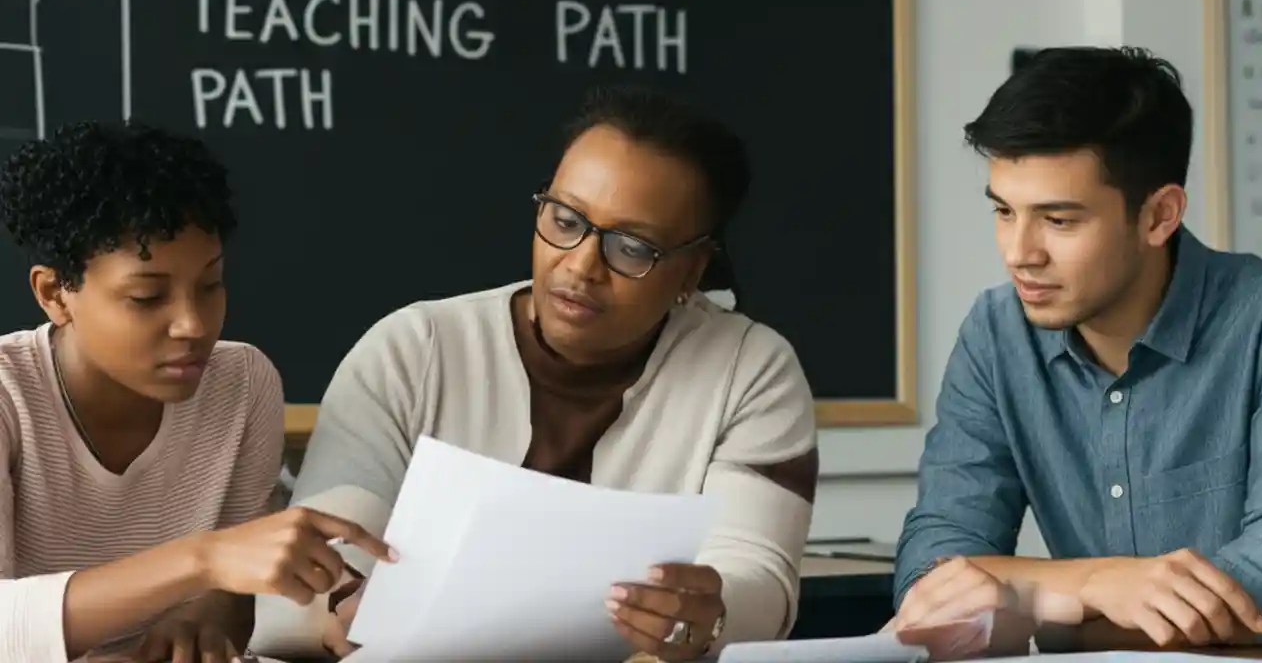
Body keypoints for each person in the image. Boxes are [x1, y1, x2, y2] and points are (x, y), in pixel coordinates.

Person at [252, 85, 819, 661]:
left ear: (692, 270)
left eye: (632, 247)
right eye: (566, 219)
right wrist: (344, 603)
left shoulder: (752, 371)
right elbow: (319, 558)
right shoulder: (413, 349)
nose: (580, 264)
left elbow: (760, 578)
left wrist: (707, 613)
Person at [892, 46, 1262, 654]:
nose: (1020, 253)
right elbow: (931, 575)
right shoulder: (997, 333)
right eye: (1003, 211)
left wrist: (1029, 607)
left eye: (1059, 220)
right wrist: (1098, 582)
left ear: (1159, 215)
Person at [0, 121, 393, 663]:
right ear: (55, 294)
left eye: (210, 285)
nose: (192, 324)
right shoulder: (8, 397)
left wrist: (200, 619)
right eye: (146, 297)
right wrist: (203, 559)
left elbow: (232, 590)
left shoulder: (243, 384)